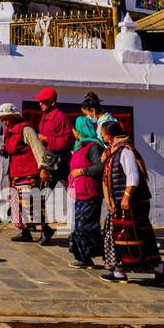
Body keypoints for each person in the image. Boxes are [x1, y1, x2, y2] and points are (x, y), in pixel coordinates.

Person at [98, 119, 164, 285]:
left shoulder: (125, 151)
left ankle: (159, 267)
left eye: (102, 134)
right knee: (114, 237)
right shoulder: (113, 152)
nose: (101, 137)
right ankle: (119, 271)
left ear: (109, 136)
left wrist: (126, 196)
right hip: (118, 203)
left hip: (131, 203)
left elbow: (133, 176)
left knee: (136, 239)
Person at [0, 102, 54, 244]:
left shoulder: (26, 129)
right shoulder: (9, 131)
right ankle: (25, 232)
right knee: (17, 203)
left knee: (32, 202)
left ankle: (46, 229)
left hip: (29, 172)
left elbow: (37, 147)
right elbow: (12, 147)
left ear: (14, 116)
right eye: (2, 119)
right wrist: (4, 149)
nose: (4, 122)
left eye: (6, 118)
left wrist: (43, 167)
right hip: (15, 172)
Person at [66, 114, 106, 268]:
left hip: (90, 193)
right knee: (78, 226)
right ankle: (83, 257)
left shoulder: (94, 147)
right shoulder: (80, 146)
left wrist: (82, 172)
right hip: (79, 193)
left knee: (86, 226)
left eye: (75, 129)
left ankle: (107, 254)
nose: (74, 132)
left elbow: (100, 166)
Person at [34, 87, 73, 188]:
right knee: (41, 194)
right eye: (39, 101)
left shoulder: (60, 117)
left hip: (60, 163)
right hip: (49, 162)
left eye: (42, 101)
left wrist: (46, 139)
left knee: (72, 195)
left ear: (52, 102)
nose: (40, 104)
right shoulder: (44, 116)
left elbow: (67, 142)